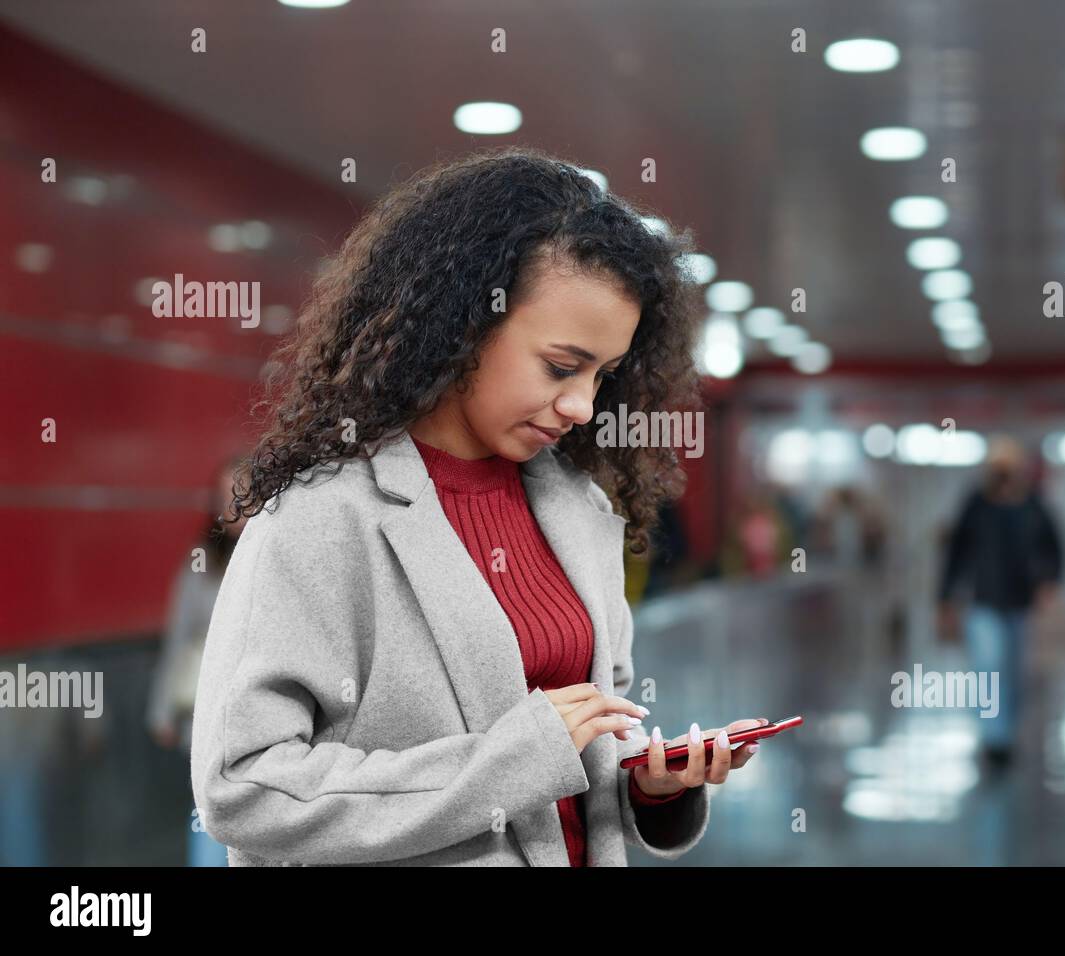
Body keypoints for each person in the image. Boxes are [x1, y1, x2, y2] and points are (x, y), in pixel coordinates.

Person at [190, 147, 765, 867]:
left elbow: (582, 746)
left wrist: (650, 785)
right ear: (463, 324)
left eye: (603, 374)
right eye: (560, 366)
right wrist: (513, 758)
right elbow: (244, 788)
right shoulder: (321, 519)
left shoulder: (578, 511)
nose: (583, 405)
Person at [937, 435, 1064, 768]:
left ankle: (1006, 730)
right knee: (988, 668)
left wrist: (1049, 580)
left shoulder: (1032, 504)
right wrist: (946, 597)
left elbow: (1054, 546)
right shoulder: (976, 503)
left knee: (1013, 672)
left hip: (1019, 603)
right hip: (983, 602)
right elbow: (957, 551)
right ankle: (995, 739)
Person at [147, 453, 247, 866]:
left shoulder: (279, 555)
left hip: (259, 714)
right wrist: (161, 712)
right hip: (206, 714)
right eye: (226, 496)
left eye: (243, 494)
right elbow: (179, 637)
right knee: (208, 817)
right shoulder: (201, 566)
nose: (236, 506)